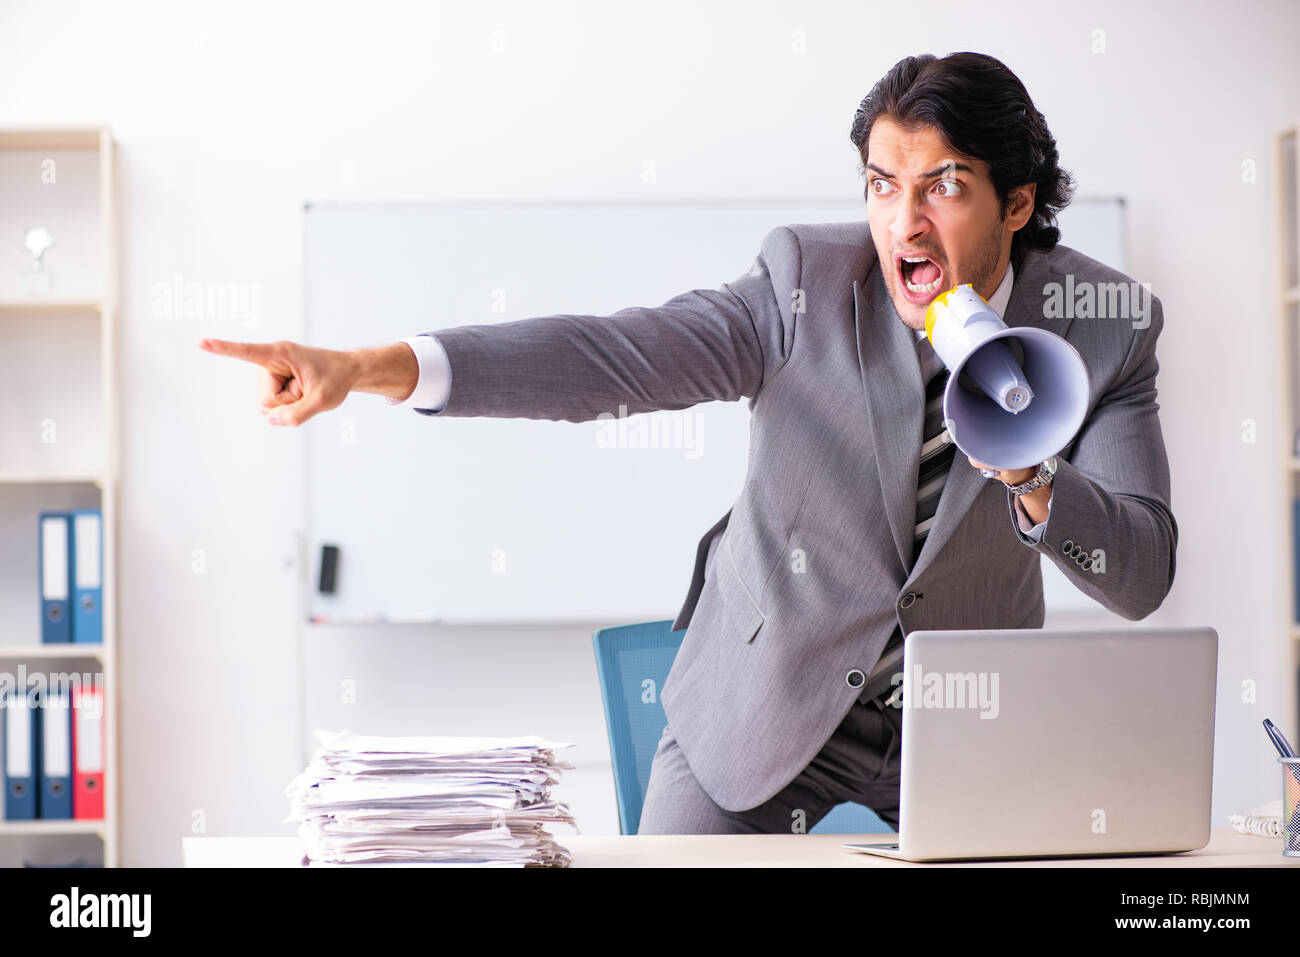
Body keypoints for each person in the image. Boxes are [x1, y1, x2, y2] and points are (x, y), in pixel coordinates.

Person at [201, 51, 1176, 834]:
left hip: (964, 732)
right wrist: (374, 367)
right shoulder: (804, 282)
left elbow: (1137, 577)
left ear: (1016, 203)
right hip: (762, 702)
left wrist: (1035, 479)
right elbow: (613, 357)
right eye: (882, 185)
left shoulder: (1104, 325)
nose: (901, 224)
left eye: (942, 189)